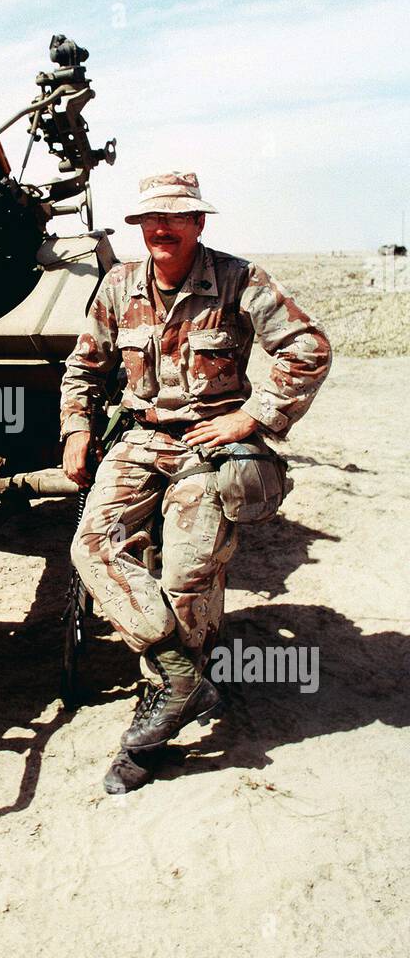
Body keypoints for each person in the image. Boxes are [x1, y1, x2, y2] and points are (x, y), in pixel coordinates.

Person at [60, 171, 331, 793]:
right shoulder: (118, 284)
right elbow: (85, 366)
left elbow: (308, 349)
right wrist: (77, 430)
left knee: (186, 576)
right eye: (152, 221)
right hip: (140, 436)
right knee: (91, 545)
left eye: (176, 220)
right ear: (139, 228)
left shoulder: (238, 280)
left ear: (198, 225)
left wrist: (252, 415)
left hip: (210, 442)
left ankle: (155, 724)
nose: (162, 230)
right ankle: (182, 674)